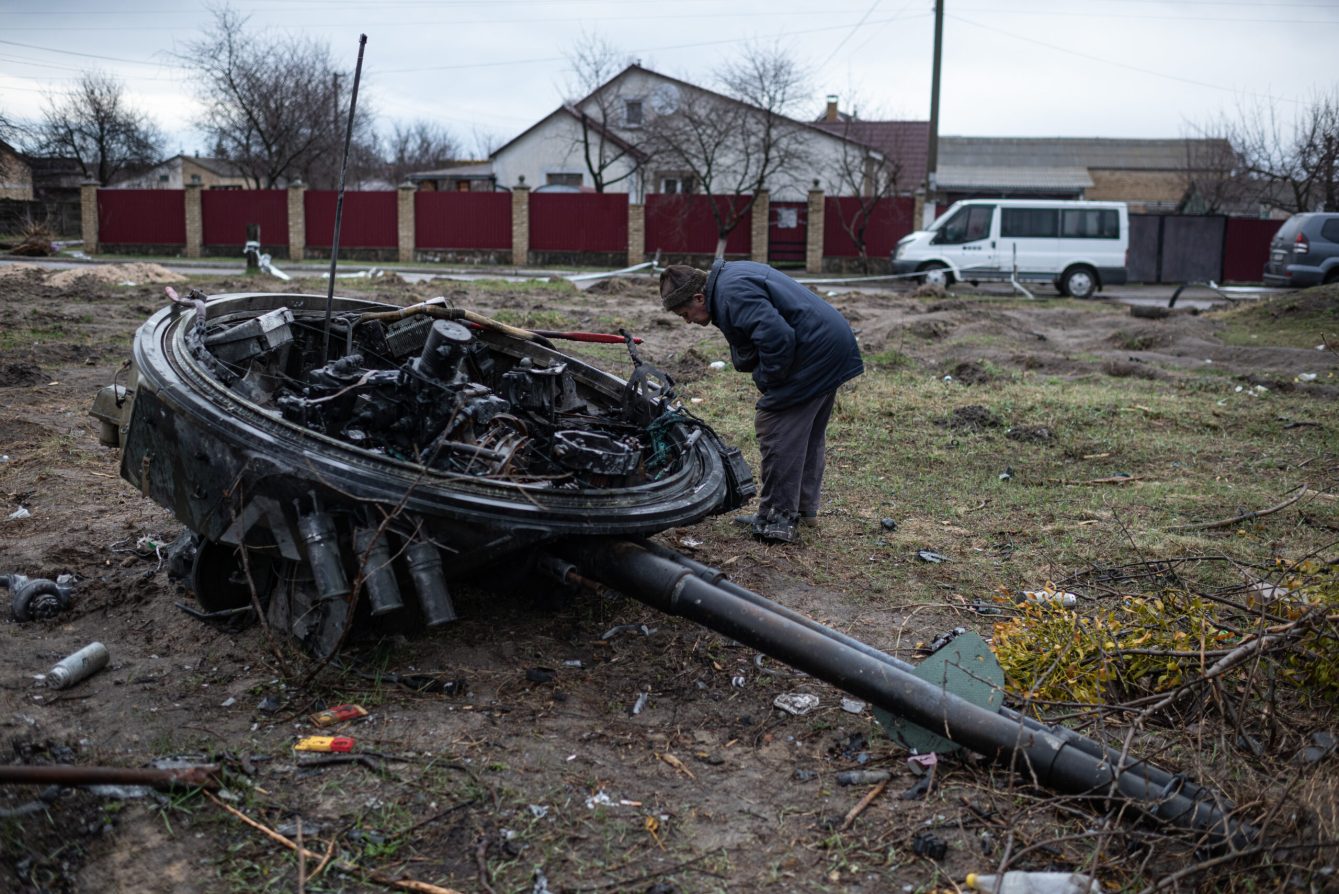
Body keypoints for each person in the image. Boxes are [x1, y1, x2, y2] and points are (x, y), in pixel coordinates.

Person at [660, 259, 863, 544]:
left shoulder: (732, 294)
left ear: (698, 297)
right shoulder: (728, 282)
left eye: (685, 313)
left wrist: (768, 380)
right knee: (805, 433)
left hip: (815, 352)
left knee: (776, 427)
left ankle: (778, 519)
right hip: (828, 346)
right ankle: (804, 510)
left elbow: (777, 338)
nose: (688, 321)